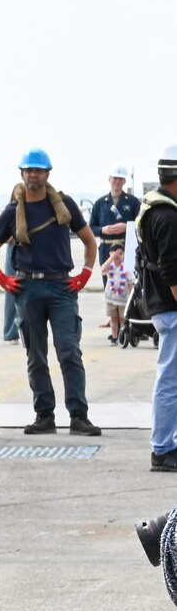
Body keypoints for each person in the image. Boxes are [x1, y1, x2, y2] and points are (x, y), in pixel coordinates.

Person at [0, 149, 102, 436]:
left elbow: (90, 242)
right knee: (35, 356)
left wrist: (86, 273)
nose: (33, 175)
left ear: (47, 173)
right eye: (28, 170)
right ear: (22, 174)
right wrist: (1, 277)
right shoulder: (13, 211)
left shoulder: (64, 205)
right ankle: (44, 415)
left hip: (61, 287)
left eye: (38, 170)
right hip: (28, 288)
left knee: (69, 351)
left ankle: (78, 416)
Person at [137, 144, 177, 471]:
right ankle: (162, 449)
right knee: (170, 380)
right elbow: (172, 270)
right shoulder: (168, 217)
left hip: (161, 306)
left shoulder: (155, 209)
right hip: (171, 308)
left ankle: (166, 444)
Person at [90, 164, 142, 279]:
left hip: (127, 248)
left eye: (120, 179)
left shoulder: (133, 202)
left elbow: (141, 225)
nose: (117, 181)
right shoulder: (100, 203)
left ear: (124, 181)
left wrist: (127, 227)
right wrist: (104, 230)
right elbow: (91, 228)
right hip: (106, 250)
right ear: (109, 179)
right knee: (108, 284)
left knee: (129, 284)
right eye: (115, 178)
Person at [102, 242, 130, 344]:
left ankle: (123, 336)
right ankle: (114, 337)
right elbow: (102, 269)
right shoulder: (110, 266)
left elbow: (131, 282)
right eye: (115, 253)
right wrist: (111, 258)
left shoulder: (126, 267)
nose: (117, 256)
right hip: (111, 297)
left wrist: (131, 295)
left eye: (120, 253)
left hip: (123, 298)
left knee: (123, 318)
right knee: (113, 318)